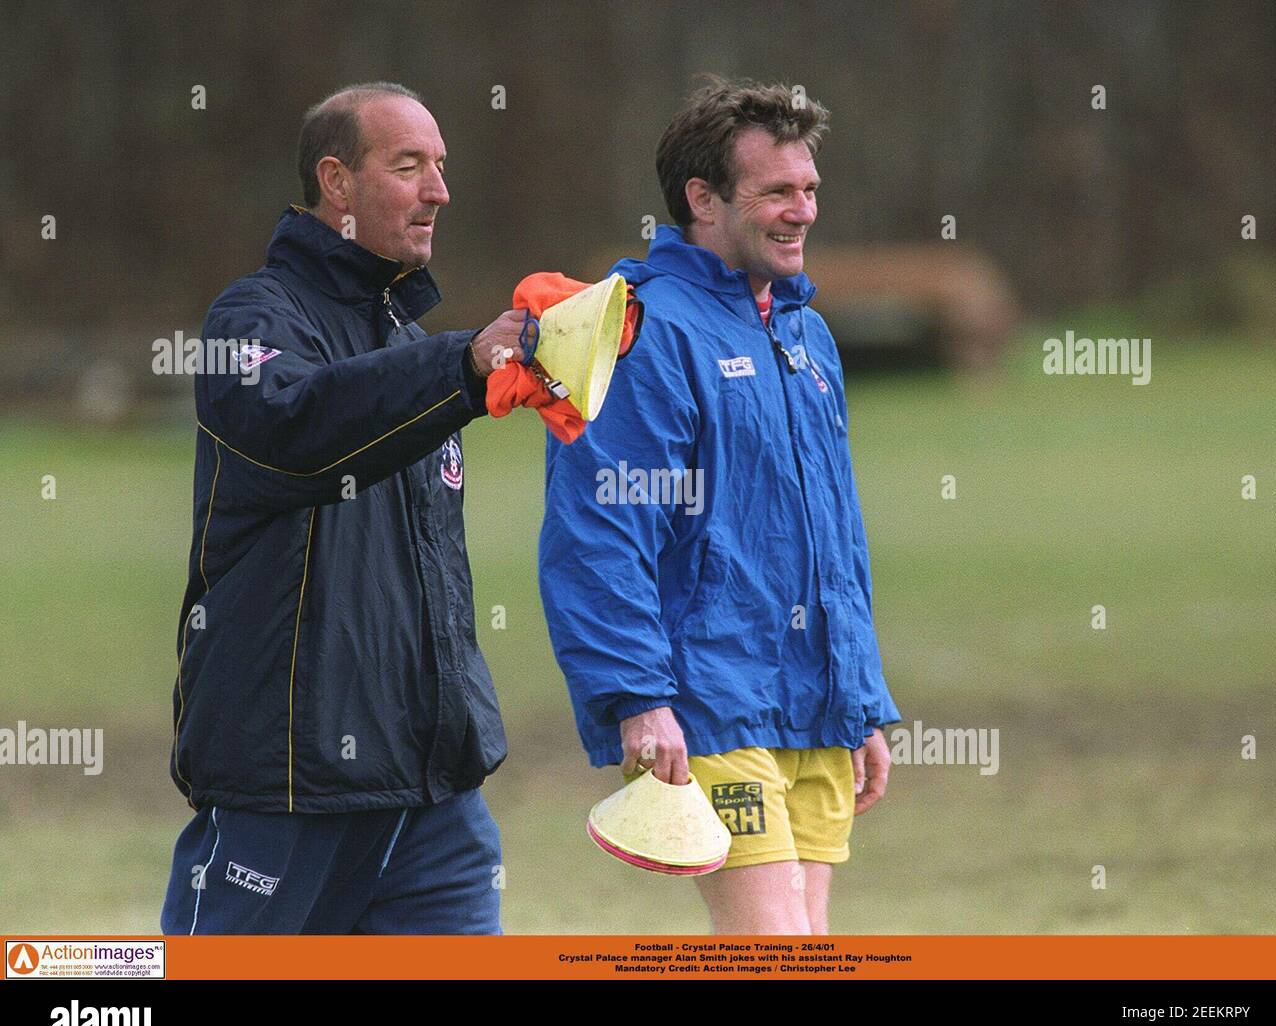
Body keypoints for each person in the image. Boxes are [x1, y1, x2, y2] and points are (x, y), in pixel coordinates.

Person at [161, 82, 526, 934]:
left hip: (434, 804)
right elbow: (298, 430)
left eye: (440, 166)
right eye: (408, 166)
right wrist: (461, 369)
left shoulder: (407, 343)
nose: (439, 189)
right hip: (289, 793)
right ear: (336, 181)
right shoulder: (250, 320)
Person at [538, 77, 900, 935]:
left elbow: (832, 534)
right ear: (704, 199)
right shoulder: (643, 329)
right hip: (709, 700)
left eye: (809, 189)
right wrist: (637, 695)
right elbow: (599, 529)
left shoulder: (805, 333)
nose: (802, 210)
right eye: (776, 190)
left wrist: (861, 698)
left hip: (815, 705)